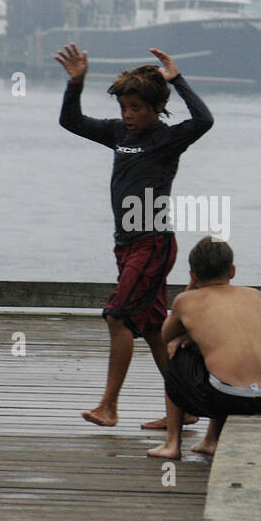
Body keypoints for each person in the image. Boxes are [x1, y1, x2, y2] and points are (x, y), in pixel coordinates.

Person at [55, 43, 213, 429]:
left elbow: (204, 120)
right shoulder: (116, 133)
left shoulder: (167, 139)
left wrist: (179, 81)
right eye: (124, 107)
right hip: (126, 245)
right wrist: (76, 83)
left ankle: (109, 406)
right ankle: (187, 405)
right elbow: (70, 122)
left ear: (157, 107)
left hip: (153, 242)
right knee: (156, 330)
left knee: (118, 316)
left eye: (137, 108)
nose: (127, 115)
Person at [147, 237, 261, 460]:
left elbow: (165, 336)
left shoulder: (185, 300)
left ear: (192, 275)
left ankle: (172, 444)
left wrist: (189, 328)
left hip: (225, 397)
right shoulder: (253, 295)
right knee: (221, 354)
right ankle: (211, 440)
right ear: (232, 271)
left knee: (176, 349)